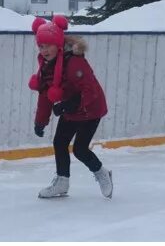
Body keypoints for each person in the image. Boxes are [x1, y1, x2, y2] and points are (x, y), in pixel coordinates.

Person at [29, 14, 110, 199]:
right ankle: (62, 182)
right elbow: (45, 94)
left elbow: (90, 90)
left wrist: (70, 104)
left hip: (91, 109)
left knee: (80, 150)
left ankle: (102, 173)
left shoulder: (74, 62)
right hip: (70, 109)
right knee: (59, 143)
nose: (44, 50)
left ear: (57, 43)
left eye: (48, 45)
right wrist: (40, 121)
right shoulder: (47, 66)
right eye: (41, 46)